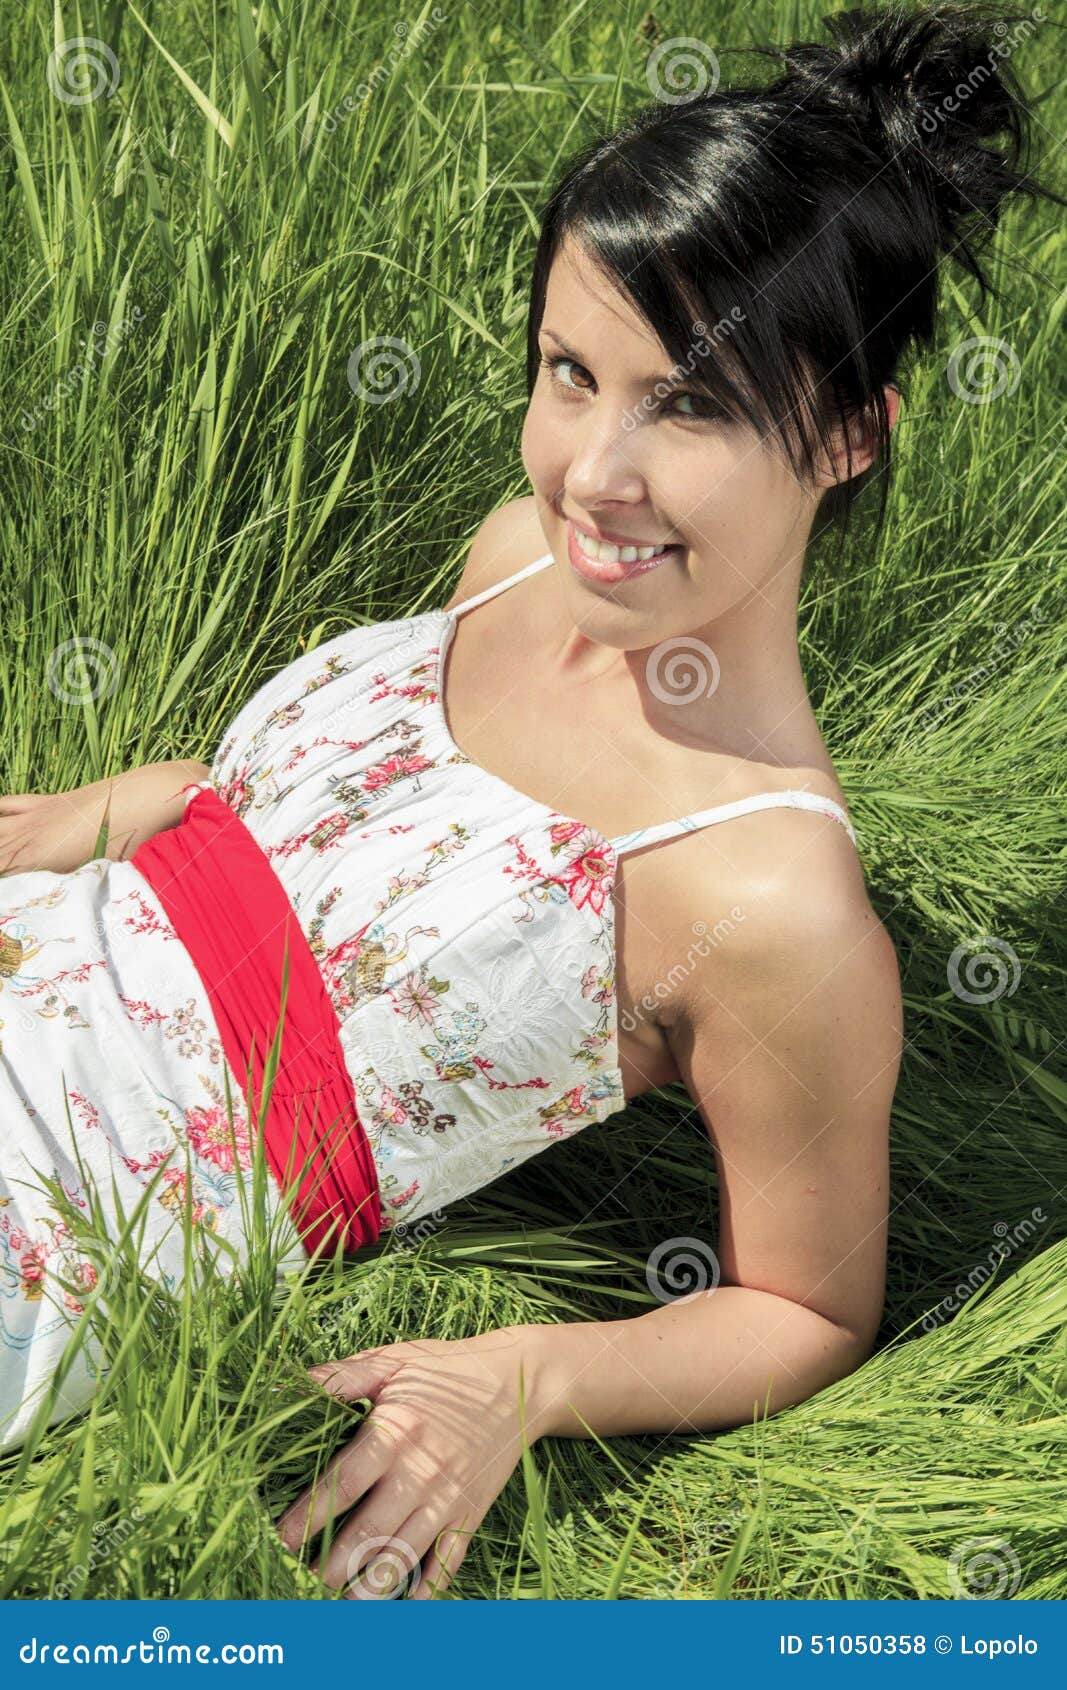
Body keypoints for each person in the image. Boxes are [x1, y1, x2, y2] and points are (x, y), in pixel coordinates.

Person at [0, 0, 1058, 1600]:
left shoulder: (769, 904)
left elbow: (808, 1305)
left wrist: (527, 1375)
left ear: (850, 435)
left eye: (690, 403)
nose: (593, 473)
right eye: (573, 371)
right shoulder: (521, 554)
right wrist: (108, 813)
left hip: (73, 1205)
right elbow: (329, 828)